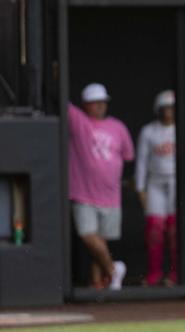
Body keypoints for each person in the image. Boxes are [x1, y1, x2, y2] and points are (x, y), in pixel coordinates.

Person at [68, 83, 134, 290]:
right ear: (85, 105)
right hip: (83, 192)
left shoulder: (118, 127)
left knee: (100, 244)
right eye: (94, 103)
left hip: (110, 195)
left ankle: (97, 283)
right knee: (88, 235)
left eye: (102, 102)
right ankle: (114, 271)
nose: (99, 106)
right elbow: (62, 102)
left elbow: (128, 155)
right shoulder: (79, 121)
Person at [135, 90, 177, 286]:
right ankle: (154, 273)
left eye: (172, 107)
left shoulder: (181, 129)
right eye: (165, 108)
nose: (169, 112)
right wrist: (140, 188)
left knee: (173, 230)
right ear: (158, 110)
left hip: (176, 182)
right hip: (155, 183)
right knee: (154, 230)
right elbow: (142, 162)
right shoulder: (149, 131)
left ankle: (175, 273)